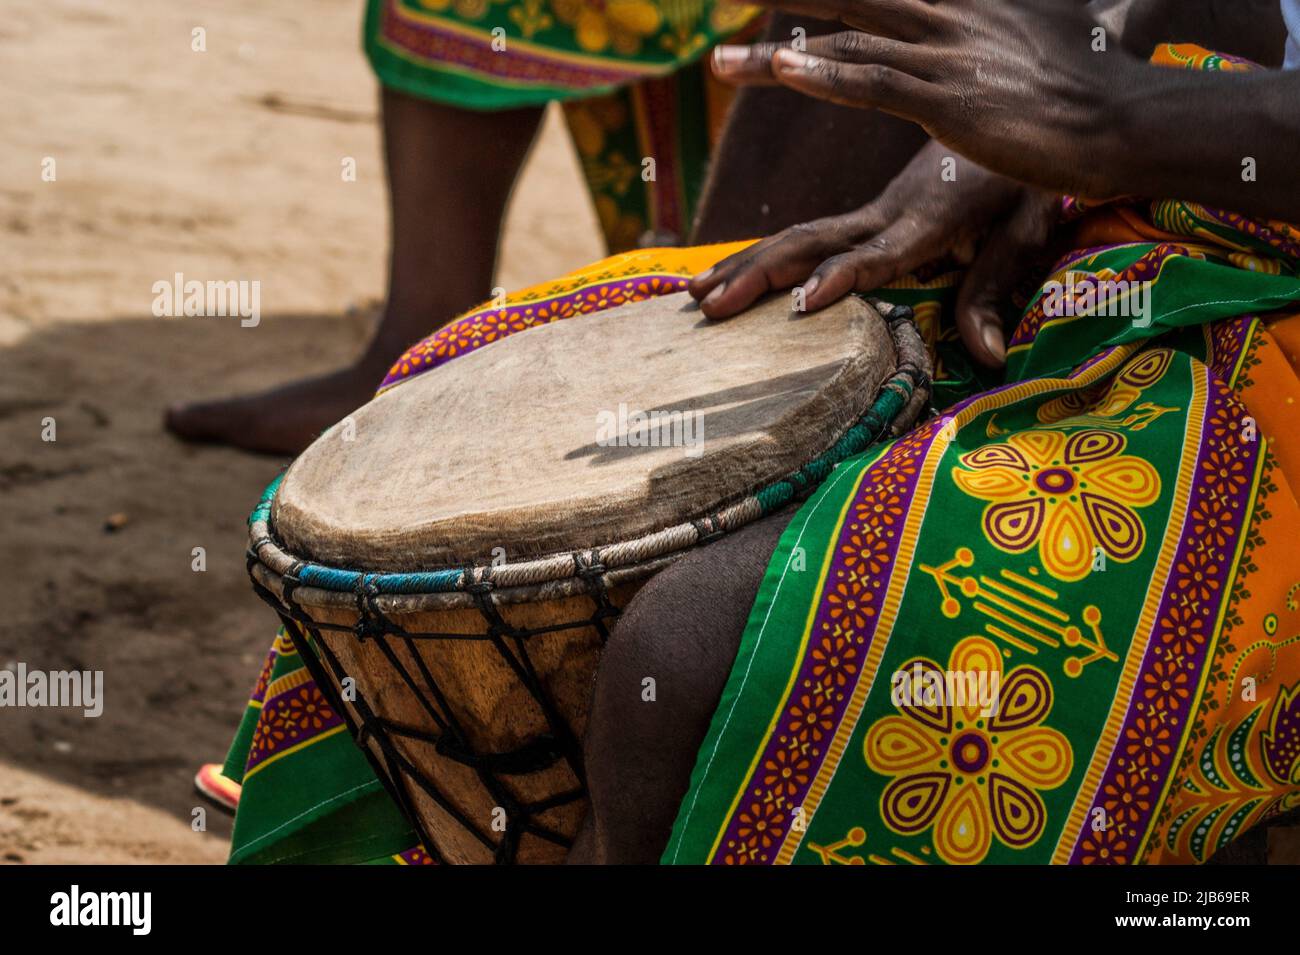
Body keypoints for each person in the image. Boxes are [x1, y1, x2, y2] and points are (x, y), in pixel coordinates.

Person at [218, 0, 1300, 865]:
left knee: (696, 648)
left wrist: (1106, 114)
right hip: (1174, 147)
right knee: (450, 413)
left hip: (1240, 246)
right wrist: (1052, 91)